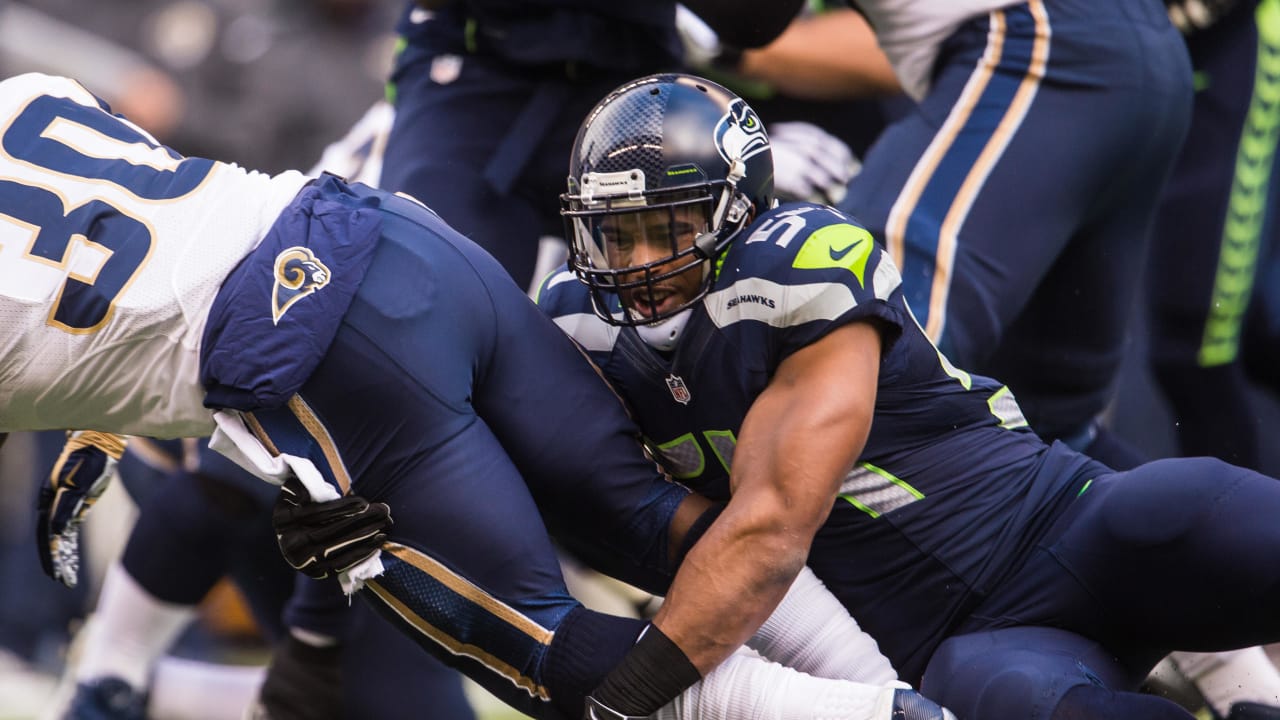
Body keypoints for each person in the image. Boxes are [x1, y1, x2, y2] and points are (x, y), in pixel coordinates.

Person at [0, 71, 953, 720]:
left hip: (311, 353)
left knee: (550, 655)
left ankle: (877, 714)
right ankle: (884, 684)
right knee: (649, 519)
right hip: (389, 231)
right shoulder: (26, 96)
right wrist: (103, 413)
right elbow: (139, 223)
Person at [531, 71, 1280, 719]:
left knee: (1196, 514)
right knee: (1015, 705)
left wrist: (625, 696)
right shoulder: (577, 328)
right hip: (969, 645)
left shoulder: (795, 270)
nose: (639, 263)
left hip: (1071, 522)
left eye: (666, 229)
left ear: (736, 212)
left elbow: (768, 531)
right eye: (616, 236)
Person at [818, 0, 1193, 469]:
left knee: (869, 344)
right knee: (1045, 433)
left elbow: (750, 23)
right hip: (1137, 48)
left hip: (1038, 45)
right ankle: (1225, 538)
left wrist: (717, 50)